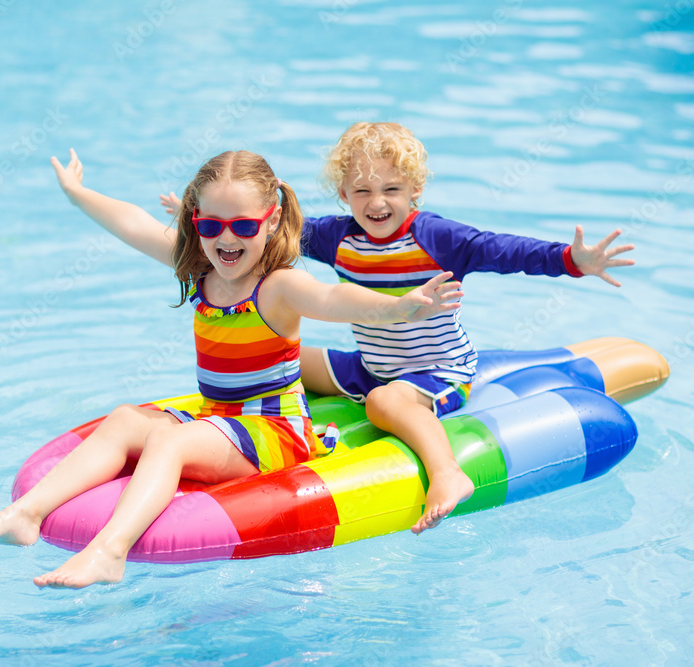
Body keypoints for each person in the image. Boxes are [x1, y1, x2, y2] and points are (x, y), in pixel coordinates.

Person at [0, 148, 464, 589]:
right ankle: (27, 514)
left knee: (168, 441)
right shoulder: (199, 268)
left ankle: (111, 551)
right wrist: (76, 195)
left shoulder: (277, 286)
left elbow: (335, 297)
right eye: (210, 225)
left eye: (243, 226)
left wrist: (402, 306)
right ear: (194, 222)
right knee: (125, 418)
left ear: (270, 220)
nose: (227, 240)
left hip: (272, 432)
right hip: (218, 415)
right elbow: (132, 223)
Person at [161, 122, 635, 535]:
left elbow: (505, 250)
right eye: (362, 191)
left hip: (437, 371)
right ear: (344, 194)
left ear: (415, 191)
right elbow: (260, 232)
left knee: (384, 401)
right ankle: (246, 429)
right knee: (275, 354)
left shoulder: (437, 238)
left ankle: (447, 472)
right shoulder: (336, 236)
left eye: (391, 188)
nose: (377, 202)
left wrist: (573, 261)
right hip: (373, 364)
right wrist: (210, 225)